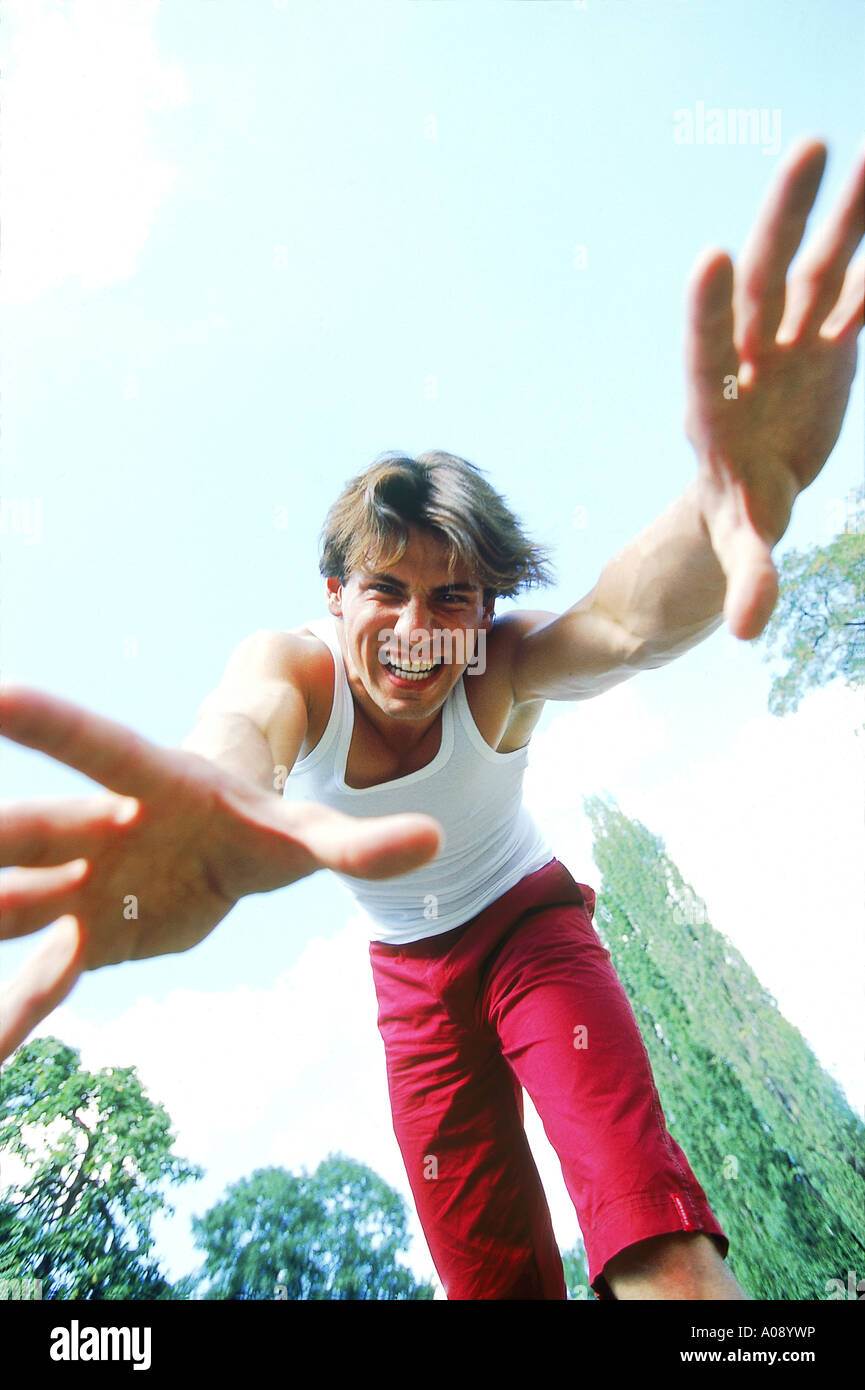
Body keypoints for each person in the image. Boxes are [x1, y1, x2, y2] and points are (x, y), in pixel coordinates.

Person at [0, 138, 862, 1300]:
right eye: (385, 592)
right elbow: (240, 728)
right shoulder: (294, 673)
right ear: (332, 597)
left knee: (653, 1242)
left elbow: (621, 622)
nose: (417, 629)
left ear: (486, 607)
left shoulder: (495, 672)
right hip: (411, 986)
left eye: (451, 595)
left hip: (528, 933)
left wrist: (739, 501)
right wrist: (211, 793)